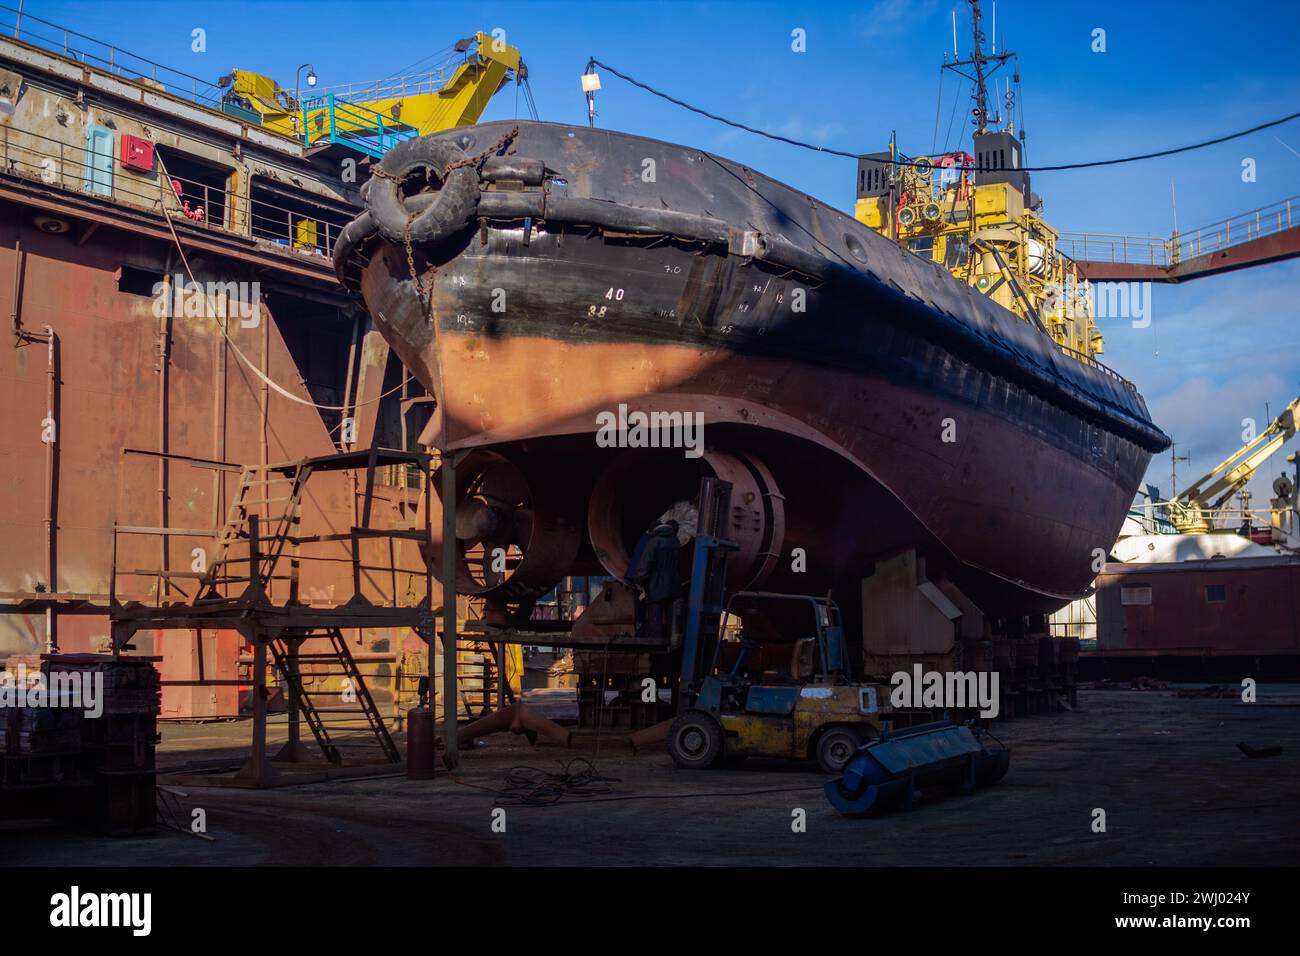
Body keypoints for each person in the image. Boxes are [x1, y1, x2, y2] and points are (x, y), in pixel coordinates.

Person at [635, 519, 681, 642]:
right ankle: (671, 642)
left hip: (656, 587)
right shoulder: (675, 542)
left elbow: (644, 565)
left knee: (655, 619)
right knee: (672, 619)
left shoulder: (654, 542)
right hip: (673, 586)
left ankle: (656, 644)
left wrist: (639, 580)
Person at [624, 520, 658, 638]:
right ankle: (645, 632)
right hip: (641, 577)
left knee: (639, 606)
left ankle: (640, 630)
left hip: (635, 576)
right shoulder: (652, 542)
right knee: (645, 605)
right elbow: (645, 562)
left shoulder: (644, 538)